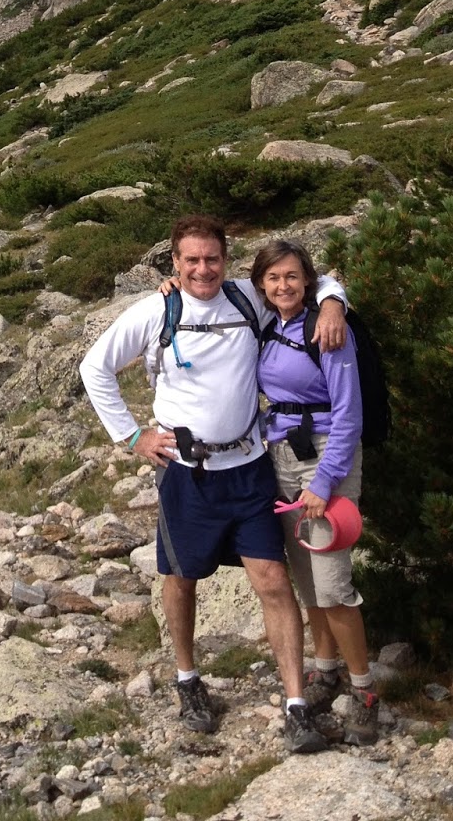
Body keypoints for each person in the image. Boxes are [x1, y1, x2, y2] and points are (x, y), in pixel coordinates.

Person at [79, 214, 347, 753]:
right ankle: (187, 680)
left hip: (250, 468)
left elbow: (315, 282)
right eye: (192, 260)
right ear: (174, 263)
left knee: (273, 582)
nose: (203, 269)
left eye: (212, 259)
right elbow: (94, 367)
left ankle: (296, 705)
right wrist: (132, 436)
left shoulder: (248, 296)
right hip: (186, 474)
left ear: (227, 261)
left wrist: (334, 303)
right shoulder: (158, 308)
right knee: (182, 578)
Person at [253, 238, 378, 746]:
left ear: (307, 280)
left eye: (292, 276)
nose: (283, 286)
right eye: (273, 278)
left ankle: (365, 691)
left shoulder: (328, 330)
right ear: (261, 283)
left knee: (332, 586)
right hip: (282, 455)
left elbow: (350, 414)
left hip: (327, 457)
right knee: (306, 580)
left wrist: (324, 483)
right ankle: (326, 670)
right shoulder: (268, 324)